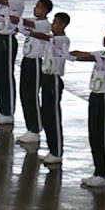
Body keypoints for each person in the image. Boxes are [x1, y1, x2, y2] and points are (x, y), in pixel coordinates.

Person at [70, 26, 105, 187]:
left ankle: (104, 173)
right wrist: (70, 54)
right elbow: (84, 54)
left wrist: (83, 57)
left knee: (101, 134)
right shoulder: (103, 53)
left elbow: (90, 57)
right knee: (93, 133)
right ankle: (97, 171)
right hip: (95, 96)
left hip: (104, 98)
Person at [27, 11, 71, 166]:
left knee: (53, 115)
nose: (53, 25)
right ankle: (52, 149)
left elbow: (46, 38)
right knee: (46, 114)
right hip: (46, 77)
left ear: (63, 25)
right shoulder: (52, 39)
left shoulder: (62, 40)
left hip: (54, 79)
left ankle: (57, 151)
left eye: (56, 23)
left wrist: (30, 31)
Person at [13, 0, 53, 144]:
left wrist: (15, 19)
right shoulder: (34, 21)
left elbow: (26, 23)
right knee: (24, 92)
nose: (35, 9)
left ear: (45, 10)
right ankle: (29, 127)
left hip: (36, 62)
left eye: (38, 7)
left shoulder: (44, 25)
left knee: (32, 94)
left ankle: (35, 128)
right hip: (26, 61)